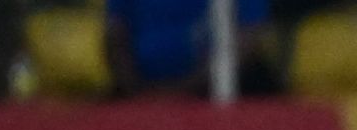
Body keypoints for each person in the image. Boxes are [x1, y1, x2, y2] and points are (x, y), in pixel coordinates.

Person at [106, 0, 281, 97]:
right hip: (140, 91)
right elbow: (116, 35)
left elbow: (248, 40)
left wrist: (179, 93)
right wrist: (136, 92)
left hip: (221, 90)